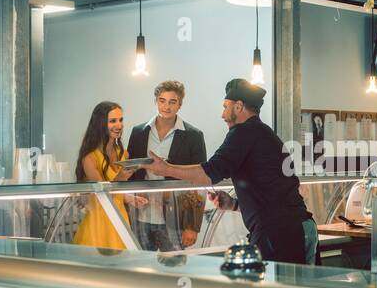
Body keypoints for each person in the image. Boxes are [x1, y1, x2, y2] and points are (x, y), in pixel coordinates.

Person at [148, 78, 317, 264]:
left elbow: (209, 173)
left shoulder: (243, 132)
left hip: (282, 234)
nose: (222, 115)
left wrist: (166, 168)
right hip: (297, 228)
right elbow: (270, 192)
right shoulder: (261, 132)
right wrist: (233, 204)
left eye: (225, 107)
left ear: (238, 106)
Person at [125, 80, 207, 252]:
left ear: (180, 105)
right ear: (155, 101)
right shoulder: (138, 132)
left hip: (175, 218)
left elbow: (200, 183)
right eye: (162, 100)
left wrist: (192, 225)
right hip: (141, 215)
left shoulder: (194, 136)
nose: (166, 106)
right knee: (142, 269)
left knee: (174, 269)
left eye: (172, 101)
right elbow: (131, 174)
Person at [72, 101, 138, 250]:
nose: (119, 125)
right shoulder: (90, 157)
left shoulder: (124, 153)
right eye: (113, 121)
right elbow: (102, 193)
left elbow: (117, 194)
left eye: (121, 120)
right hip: (98, 222)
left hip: (120, 220)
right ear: (100, 124)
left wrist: (130, 198)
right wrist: (120, 178)